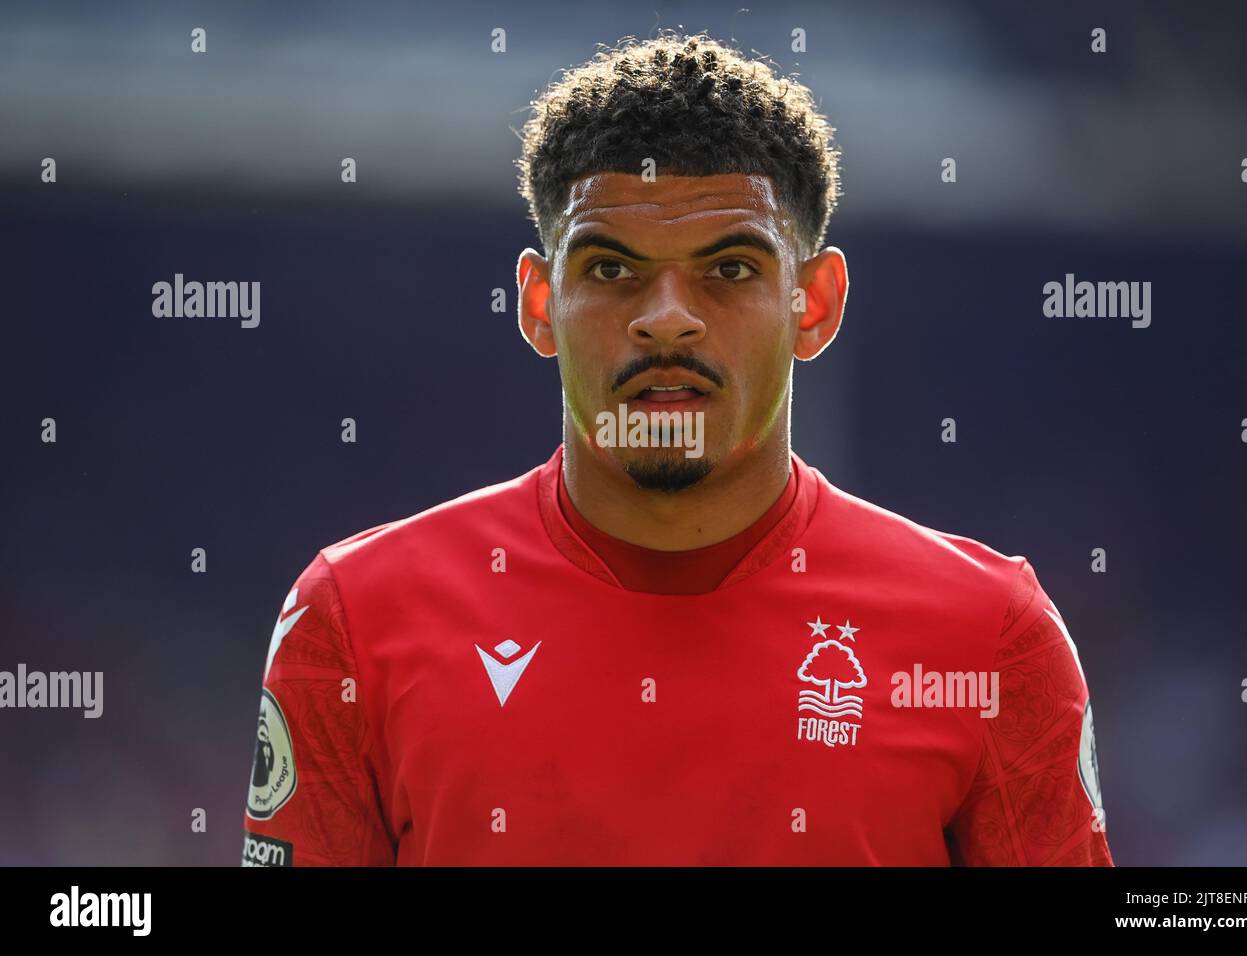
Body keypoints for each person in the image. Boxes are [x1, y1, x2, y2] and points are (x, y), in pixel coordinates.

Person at [241, 32, 1113, 866]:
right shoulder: (355, 620)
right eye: (612, 269)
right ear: (540, 304)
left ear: (814, 303)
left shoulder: (988, 638)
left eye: (728, 269)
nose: (666, 316)